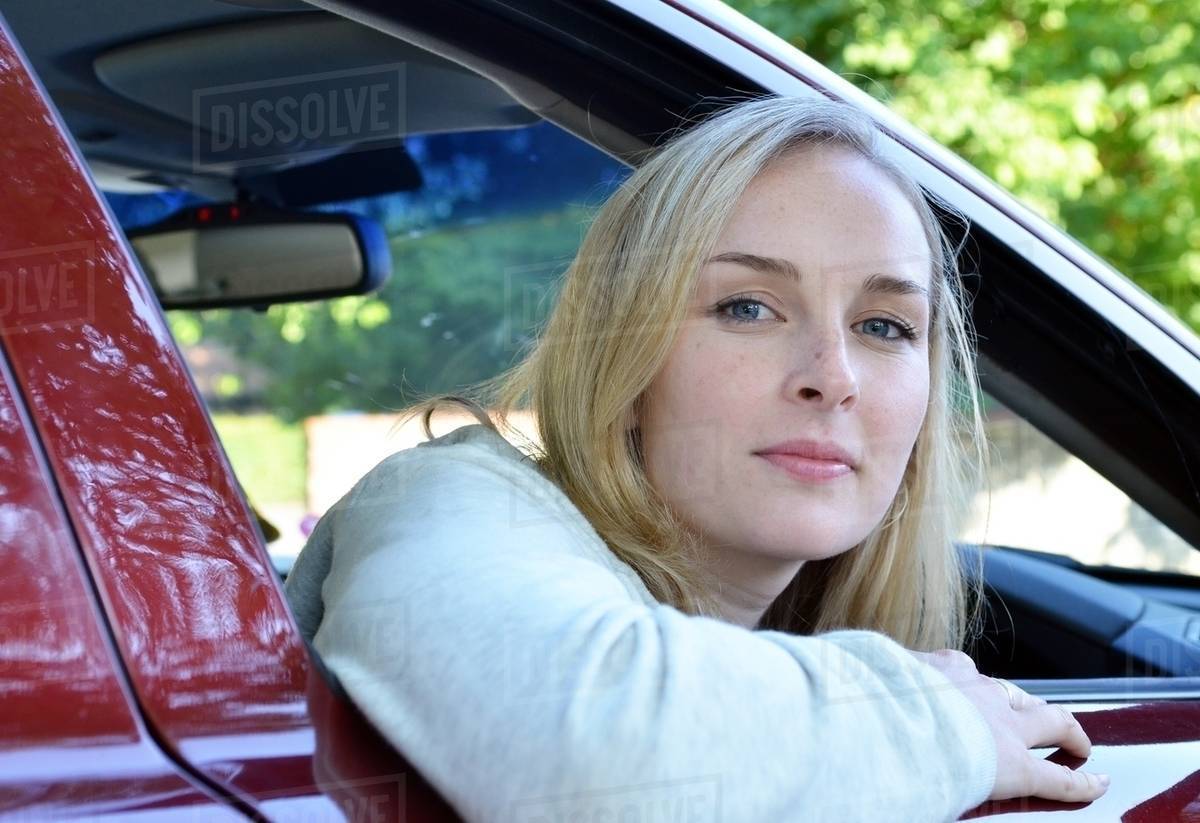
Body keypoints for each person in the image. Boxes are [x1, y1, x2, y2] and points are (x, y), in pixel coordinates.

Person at [286, 95, 1108, 821]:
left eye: (884, 326)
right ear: (623, 357)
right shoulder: (446, 497)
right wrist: (933, 720)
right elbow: (592, 753)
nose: (833, 376)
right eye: (748, 307)